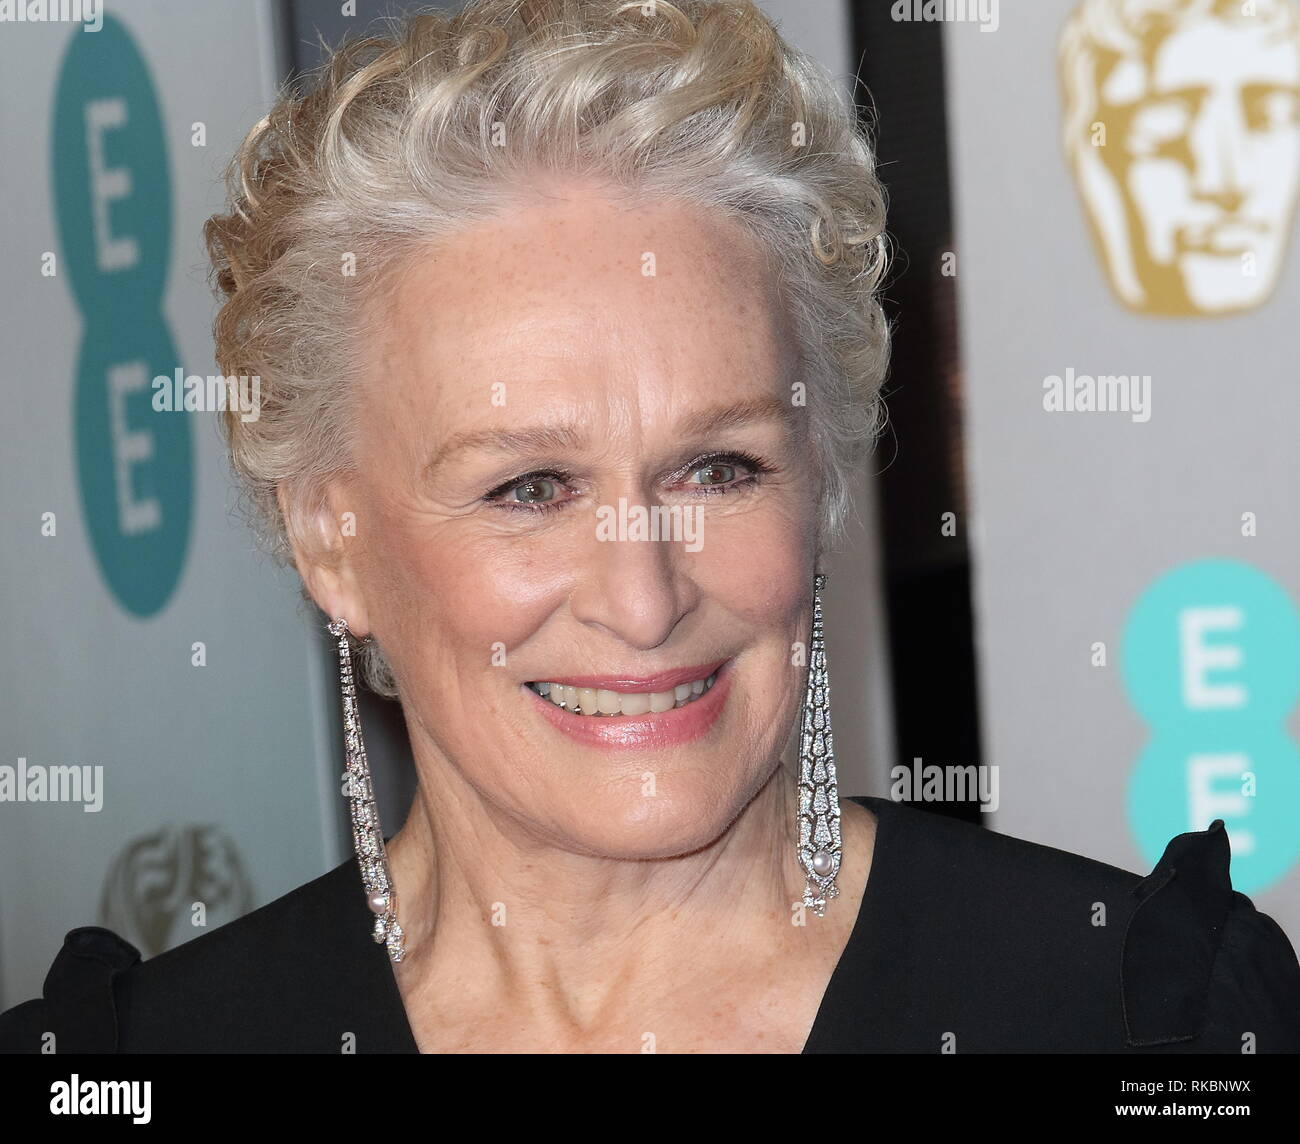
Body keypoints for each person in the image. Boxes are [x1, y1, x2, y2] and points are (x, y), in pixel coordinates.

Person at [3, 0, 1297, 1053]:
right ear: (331, 537)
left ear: (820, 485)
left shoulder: (1137, 1020)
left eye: (718, 467)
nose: (642, 597)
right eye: (529, 488)